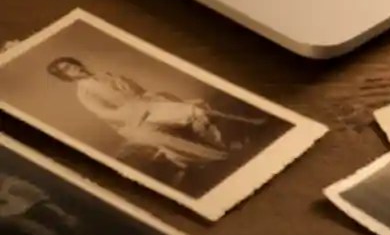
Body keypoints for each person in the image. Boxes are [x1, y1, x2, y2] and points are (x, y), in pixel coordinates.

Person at [45, 56, 266, 183]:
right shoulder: (84, 92)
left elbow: (138, 91)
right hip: (133, 122)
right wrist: (137, 110)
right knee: (175, 136)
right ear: (65, 77)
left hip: (149, 106)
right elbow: (105, 114)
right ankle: (221, 158)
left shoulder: (106, 74)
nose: (73, 68)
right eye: (66, 69)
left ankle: (230, 140)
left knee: (197, 112)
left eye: (71, 64)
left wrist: (149, 97)